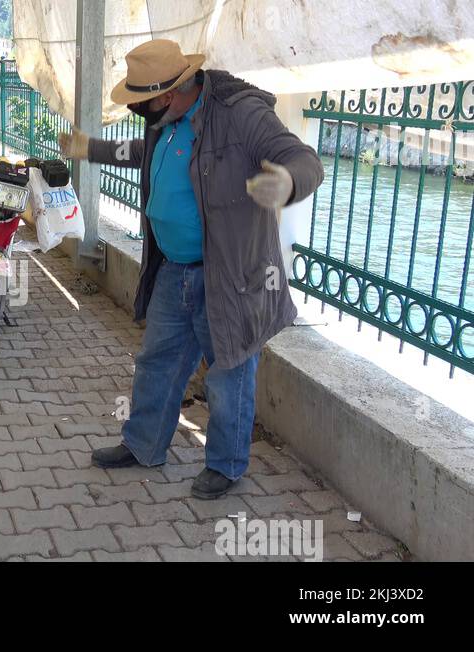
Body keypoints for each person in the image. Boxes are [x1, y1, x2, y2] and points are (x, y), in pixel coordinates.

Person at [58, 39, 324, 500]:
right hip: (173, 268)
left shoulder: (241, 114)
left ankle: (225, 465)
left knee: (228, 373)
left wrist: (287, 182)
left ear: (167, 95)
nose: (139, 111)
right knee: (157, 362)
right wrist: (91, 148)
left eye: (142, 102)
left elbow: (305, 160)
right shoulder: (167, 121)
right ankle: (143, 445)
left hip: (228, 277)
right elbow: (141, 152)